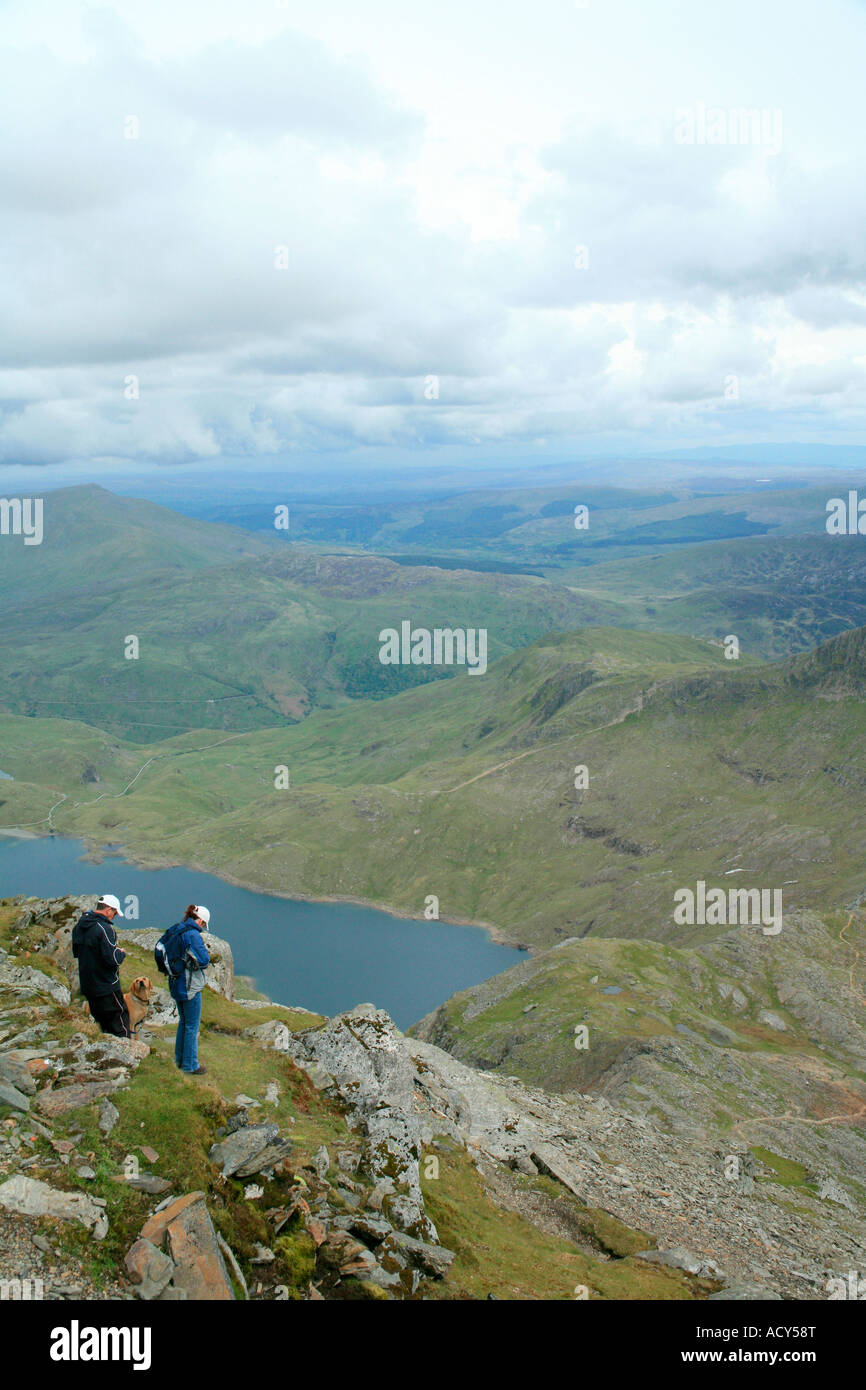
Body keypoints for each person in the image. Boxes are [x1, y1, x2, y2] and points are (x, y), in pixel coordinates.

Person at [157, 905, 211, 1075]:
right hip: (189, 986)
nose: (202, 928)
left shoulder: (178, 928)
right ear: (200, 920)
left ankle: (179, 1059)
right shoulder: (192, 935)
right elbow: (204, 961)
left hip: (176, 983)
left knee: (184, 1022)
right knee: (192, 1026)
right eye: (203, 925)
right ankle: (190, 1065)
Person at [71, 894, 131, 1038]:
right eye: (115, 913)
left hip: (88, 986)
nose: (114, 916)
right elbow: (113, 959)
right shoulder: (104, 929)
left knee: (103, 1025)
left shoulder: (79, 926)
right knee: (120, 1021)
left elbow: (76, 952)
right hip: (107, 986)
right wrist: (121, 953)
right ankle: (126, 1055)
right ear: (108, 910)